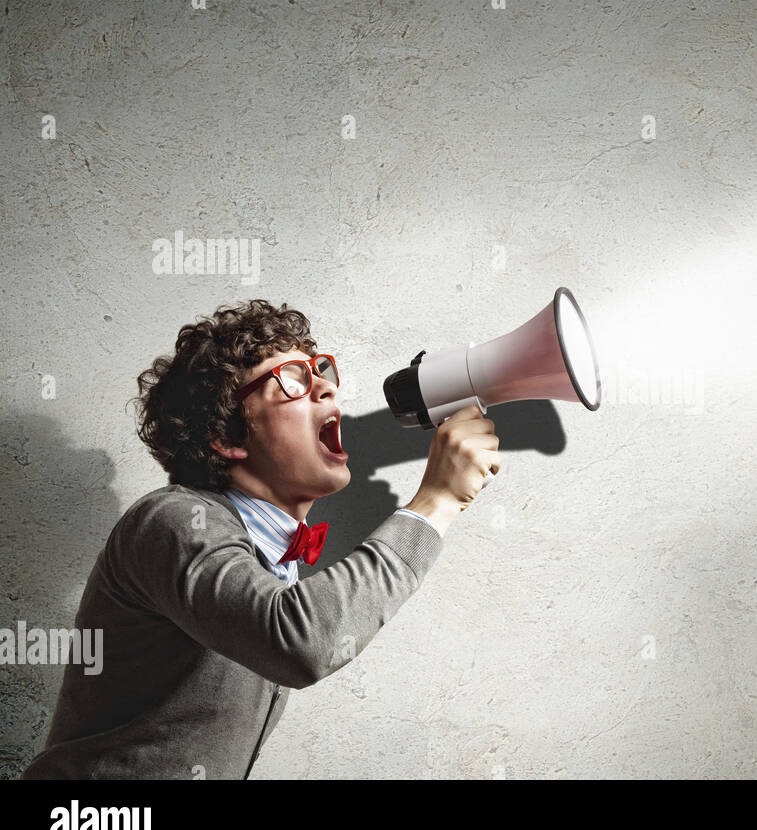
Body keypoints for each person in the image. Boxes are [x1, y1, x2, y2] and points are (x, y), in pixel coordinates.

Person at [21, 300, 500, 779]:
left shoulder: (266, 556)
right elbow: (302, 643)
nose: (327, 386)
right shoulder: (171, 519)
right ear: (226, 436)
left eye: (322, 370)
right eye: (293, 377)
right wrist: (434, 502)